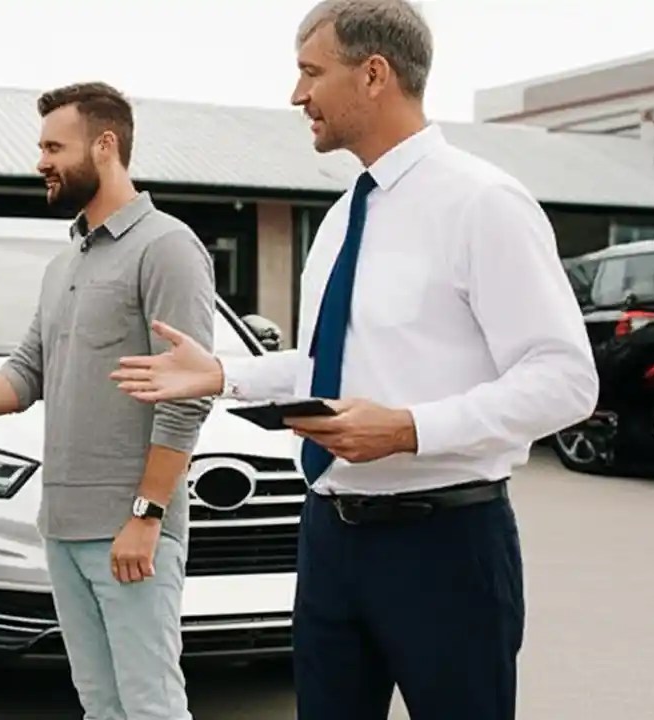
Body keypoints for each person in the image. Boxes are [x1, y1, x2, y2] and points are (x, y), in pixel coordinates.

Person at [110, 2, 599, 719]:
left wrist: (407, 428)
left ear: (374, 74)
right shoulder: (343, 216)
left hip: (446, 547)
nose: (296, 95)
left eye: (311, 72)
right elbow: (331, 364)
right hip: (331, 541)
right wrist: (222, 374)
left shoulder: (483, 203)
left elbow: (566, 379)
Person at [0, 82, 216, 720]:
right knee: (99, 704)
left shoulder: (166, 246)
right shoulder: (65, 264)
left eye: (54, 146)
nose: (41, 161)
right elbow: (27, 375)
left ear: (105, 146)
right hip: (60, 528)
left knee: (151, 705)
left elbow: (186, 398)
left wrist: (146, 514)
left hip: (129, 529)